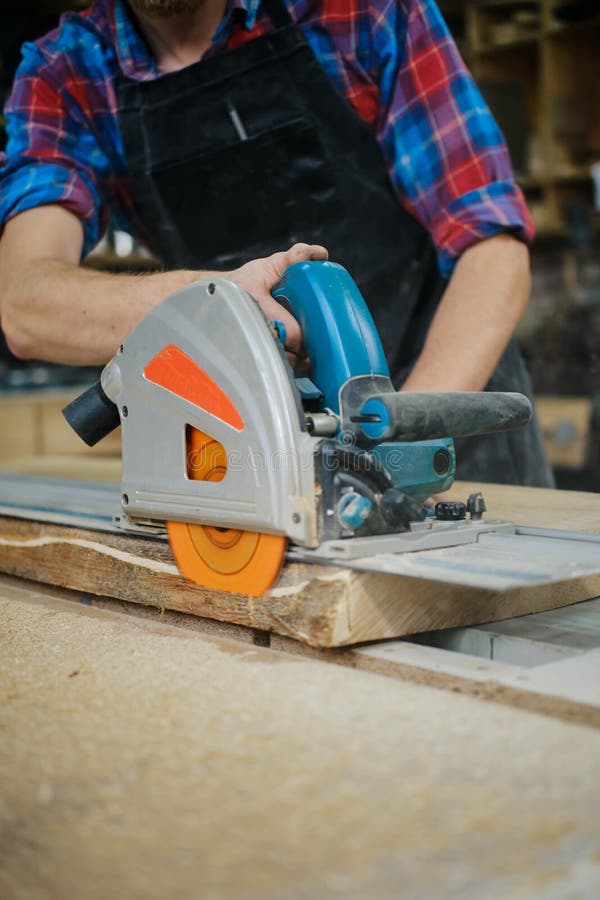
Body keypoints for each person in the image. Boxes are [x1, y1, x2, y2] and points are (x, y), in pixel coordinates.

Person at [0, 0, 553, 485]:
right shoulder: (65, 75)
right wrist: (219, 300)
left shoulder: (362, 11)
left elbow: (491, 245)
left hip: (440, 404)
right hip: (259, 444)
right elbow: (25, 306)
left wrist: (402, 434)